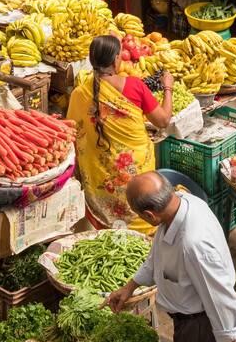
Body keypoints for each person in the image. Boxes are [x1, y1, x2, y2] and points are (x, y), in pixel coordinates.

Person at [106, 172, 236, 342]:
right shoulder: (179, 204)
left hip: (202, 328)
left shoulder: (193, 244)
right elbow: (157, 255)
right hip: (189, 324)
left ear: (149, 215)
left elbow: (219, 297)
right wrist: (130, 286)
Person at [67, 35, 172, 232]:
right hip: (136, 173)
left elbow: (73, 133)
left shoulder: (79, 94)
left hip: (100, 179)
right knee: (141, 214)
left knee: (110, 230)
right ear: (116, 59)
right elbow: (163, 121)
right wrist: (168, 87)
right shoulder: (134, 86)